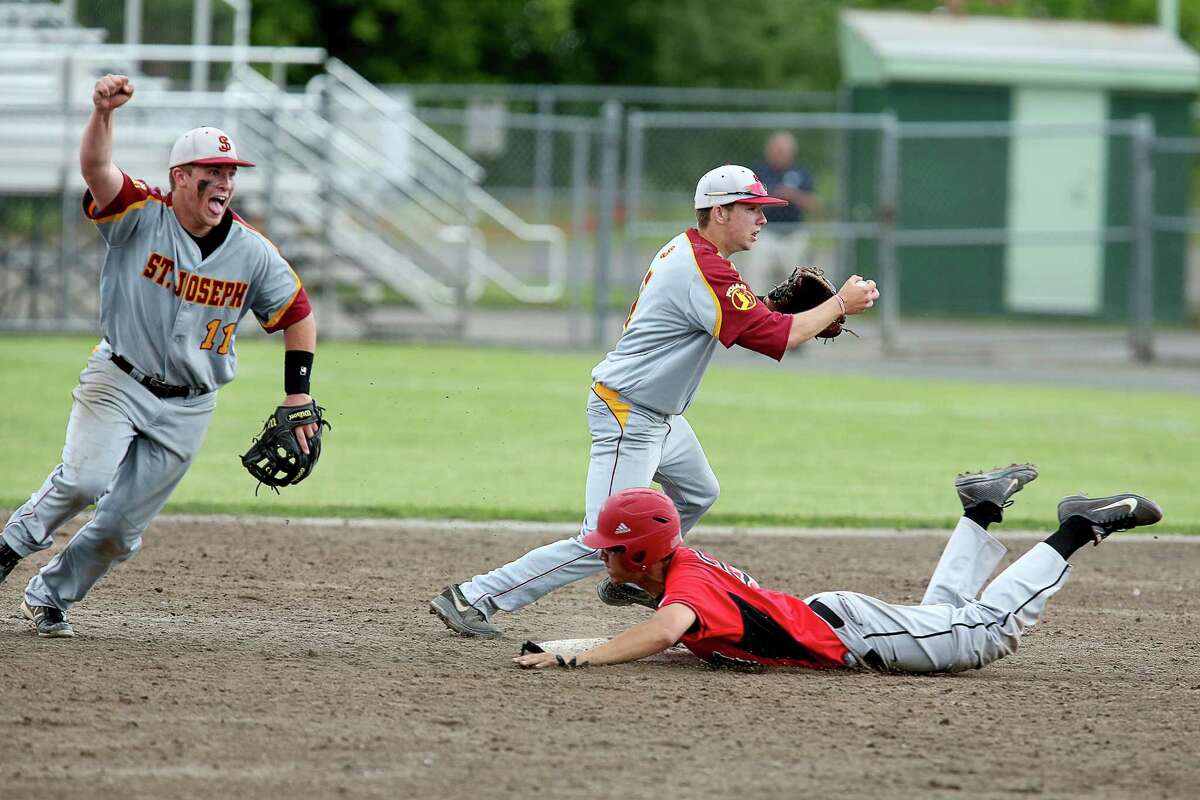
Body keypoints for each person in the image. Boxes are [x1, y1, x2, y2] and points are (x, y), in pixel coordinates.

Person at [431, 164, 880, 639]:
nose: (762, 219)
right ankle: (475, 596)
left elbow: (748, 314)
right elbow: (776, 336)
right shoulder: (702, 267)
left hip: (658, 416)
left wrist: (787, 306)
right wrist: (839, 305)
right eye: (752, 209)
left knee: (699, 493)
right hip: (628, 411)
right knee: (601, 538)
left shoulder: (700, 255)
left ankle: (628, 578)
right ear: (720, 211)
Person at [0, 74, 320, 637]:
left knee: (122, 530)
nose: (223, 182)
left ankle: (50, 595)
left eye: (229, 174)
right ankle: (9, 546)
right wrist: (102, 114)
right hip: (118, 379)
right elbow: (97, 172)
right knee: (83, 480)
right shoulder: (140, 213)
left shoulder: (252, 252)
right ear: (180, 178)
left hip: (190, 405)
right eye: (211, 173)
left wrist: (298, 391)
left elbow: (298, 314)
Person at [514, 465, 1164, 671]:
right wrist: (563, 647)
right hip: (839, 618)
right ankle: (981, 510)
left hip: (847, 634)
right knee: (944, 620)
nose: (600, 554)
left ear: (641, 555)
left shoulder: (682, 584)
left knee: (981, 635)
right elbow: (675, 628)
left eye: (609, 547)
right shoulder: (682, 569)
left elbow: (663, 632)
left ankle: (1079, 527)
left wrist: (581, 658)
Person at [745, 131, 819, 291]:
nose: (780, 154)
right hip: (764, 233)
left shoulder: (801, 173)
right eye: (776, 150)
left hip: (793, 233)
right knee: (757, 278)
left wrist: (792, 195)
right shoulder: (758, 173)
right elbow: (747, 203)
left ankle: (798, 314)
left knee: (797, 283)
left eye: (784, 150)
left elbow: (813, 205)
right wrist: (774, 197)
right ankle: (756, 312)